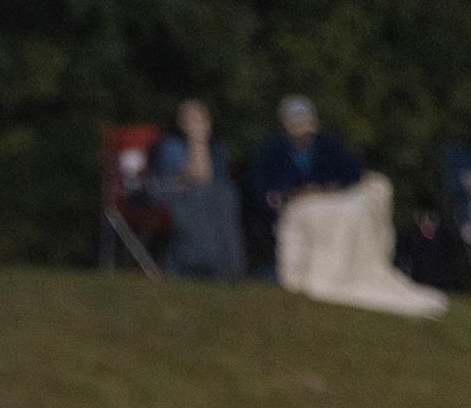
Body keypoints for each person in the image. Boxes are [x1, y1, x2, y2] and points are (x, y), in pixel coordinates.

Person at [251, 96, 363, 263]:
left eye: (305, 121)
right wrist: (280, 198)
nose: (302, 127)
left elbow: (352, 174)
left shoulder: (330, 146)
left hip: (328, 203)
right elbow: (263, 186)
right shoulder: (272, 150)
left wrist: (329, 188)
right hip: (293, 206)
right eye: (295, 122)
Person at [149, 99, 243, 280]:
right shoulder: (170, 146)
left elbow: (216, 181)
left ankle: (226, 265)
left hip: (209, 199)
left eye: (200, 119)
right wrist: (197, 141)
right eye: (190, 119)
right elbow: (198, 175)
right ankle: (196, 263)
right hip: (172, 196)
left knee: (228, 196)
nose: (196, 124)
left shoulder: (216, 148)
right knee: (200, 198)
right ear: (181, 123)